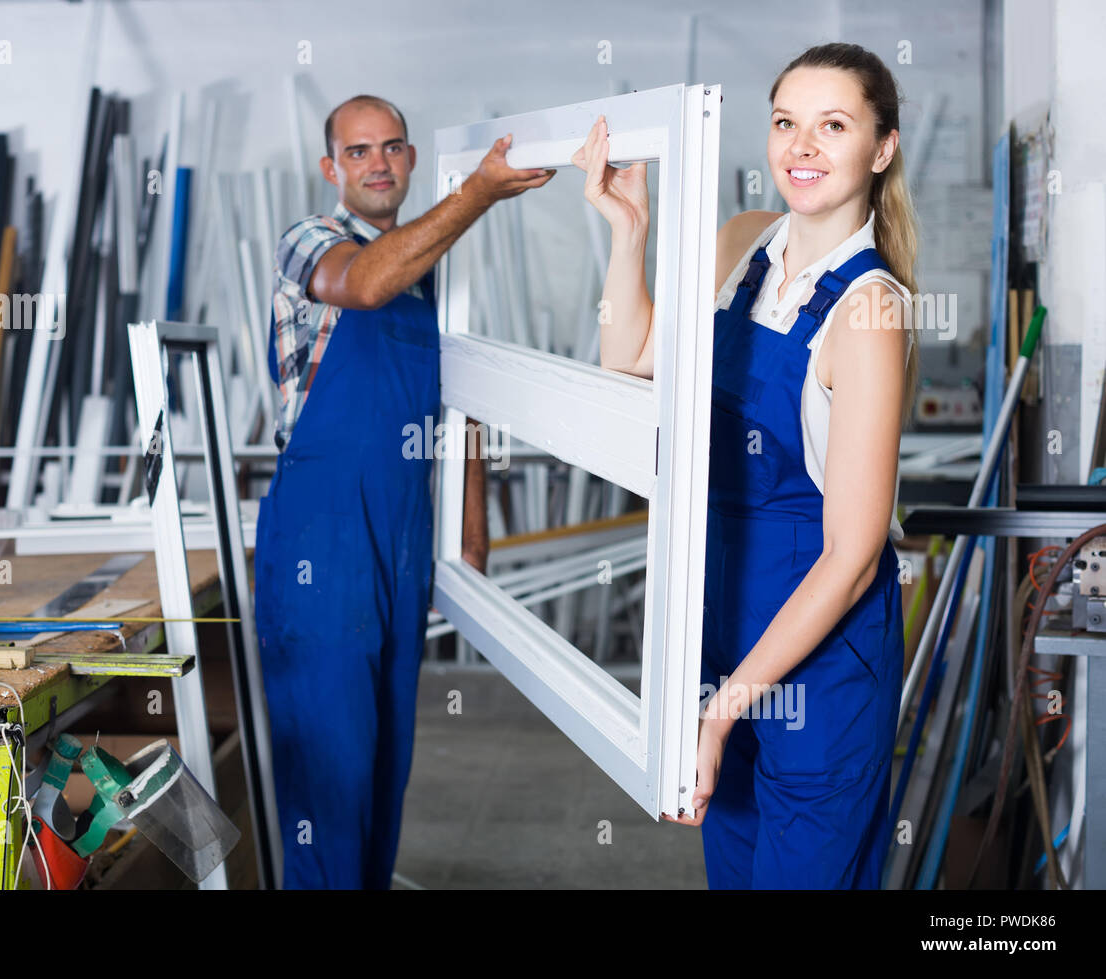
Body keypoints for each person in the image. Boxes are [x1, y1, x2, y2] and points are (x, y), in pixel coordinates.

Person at [575, 42, 919, 888]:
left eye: (832, 126)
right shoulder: (741, 244)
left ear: (881, 150)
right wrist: (629, 233)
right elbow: (633, 353)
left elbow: (852, 556)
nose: (801, 147)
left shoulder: (870, 312)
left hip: (823, 665)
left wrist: (722, 716)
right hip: (725, 634)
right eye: (785, 123)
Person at [255, 94, 554, 889]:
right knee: (333, 771)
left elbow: (463, 404)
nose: (378, 162)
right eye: (359, 152)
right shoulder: (308, 243)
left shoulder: (430, 271)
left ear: (411, 159)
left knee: (386, 768)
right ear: (332, 168)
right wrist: (478, 196)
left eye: (391, 147)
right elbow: (364, 285)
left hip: (398, 541)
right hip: (321, 544)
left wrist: (470, 542)